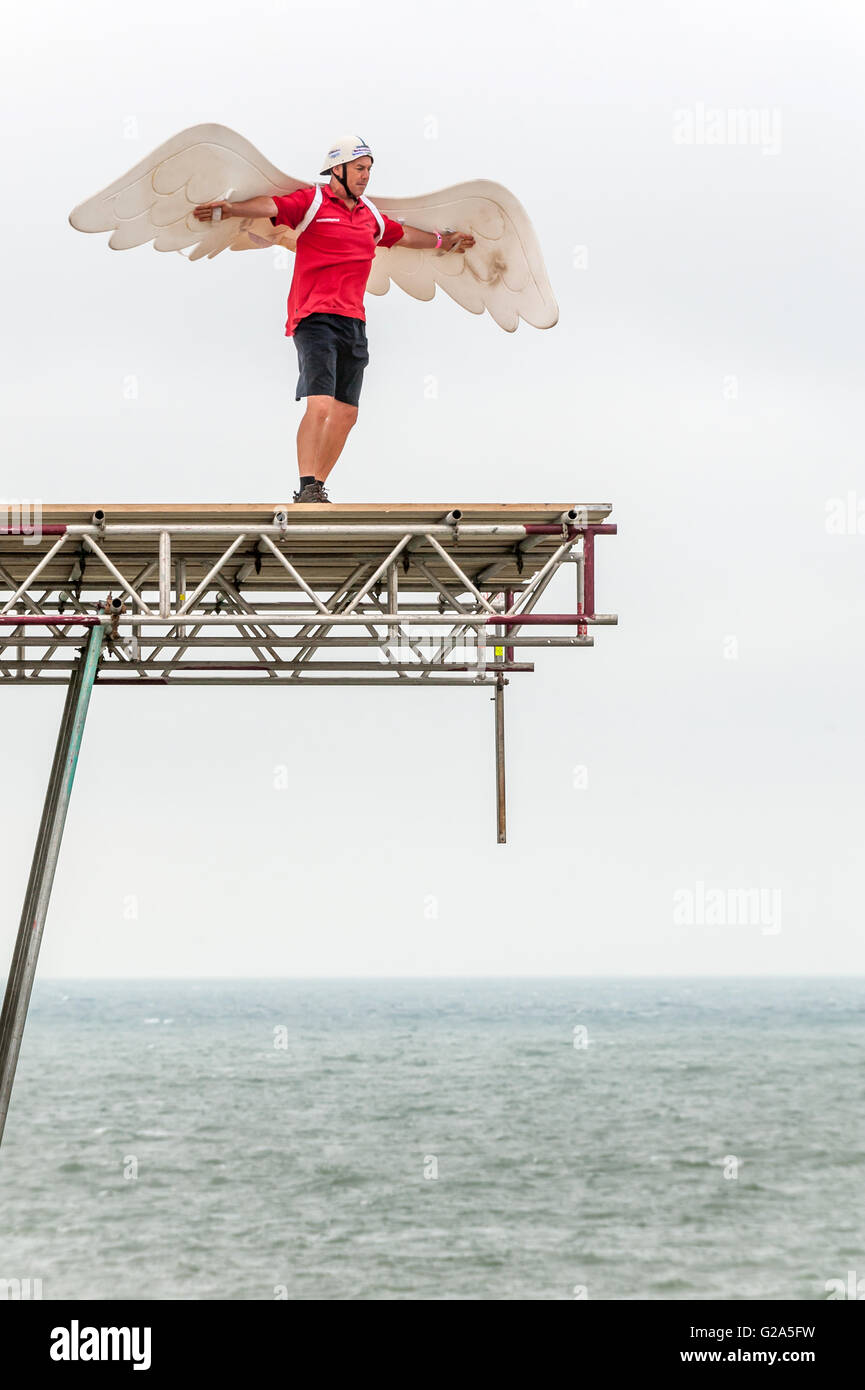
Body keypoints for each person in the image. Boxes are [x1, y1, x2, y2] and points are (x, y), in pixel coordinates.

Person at [194, 135, 475, 502]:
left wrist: (443, 241)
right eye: (359, 169)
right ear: (337, 170)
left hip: (353, 322)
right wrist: (230, 209)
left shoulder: (370, 215)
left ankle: (316, 489)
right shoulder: (312, 202)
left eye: (369, 169)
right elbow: (270, 205)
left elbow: (403, 235)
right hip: (314, 317)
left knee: (346, 414)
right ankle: (304, 485)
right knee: (321, 405)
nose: (366, 176)